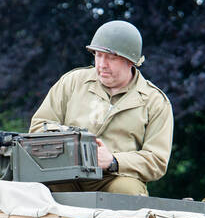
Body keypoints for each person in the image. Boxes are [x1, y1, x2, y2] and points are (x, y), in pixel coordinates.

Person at [29, 20, 173, 195]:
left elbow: (157, 160)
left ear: (130, 61)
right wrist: (72, 140)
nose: (102, 64)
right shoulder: (73, 82)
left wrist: (114, 161)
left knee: (128, 191)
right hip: (65, 172)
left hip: (114, 178)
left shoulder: (154, 101)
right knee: (38, 187)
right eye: (98, 55)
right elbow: (38, 127)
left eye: (111, 58)